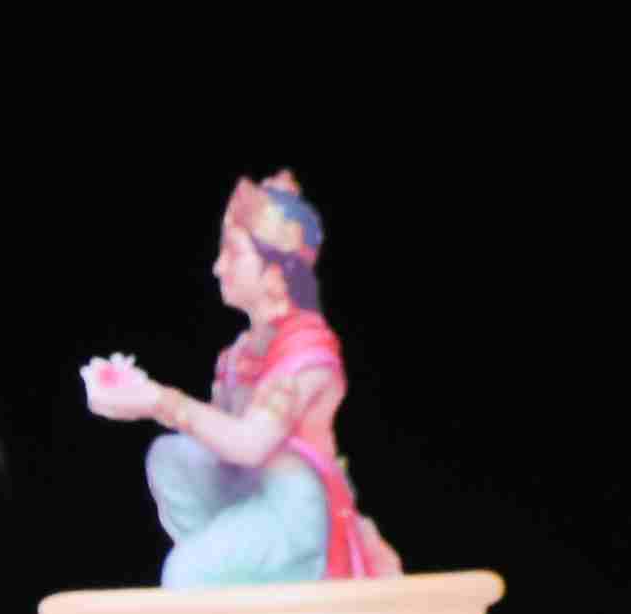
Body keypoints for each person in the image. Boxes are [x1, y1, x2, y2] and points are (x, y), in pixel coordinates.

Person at [73, 170, 399, 590]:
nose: (217, 267)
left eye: (233, 253)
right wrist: (138, 393)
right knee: (170, 457)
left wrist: (158, 400)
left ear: (275, 273)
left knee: (186, 571)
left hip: (294, 508)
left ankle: (257, 571)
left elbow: (250, 444)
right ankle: (233, 569)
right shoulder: (241, 352)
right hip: (252, 490)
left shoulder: (306, 351)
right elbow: (221, 442)